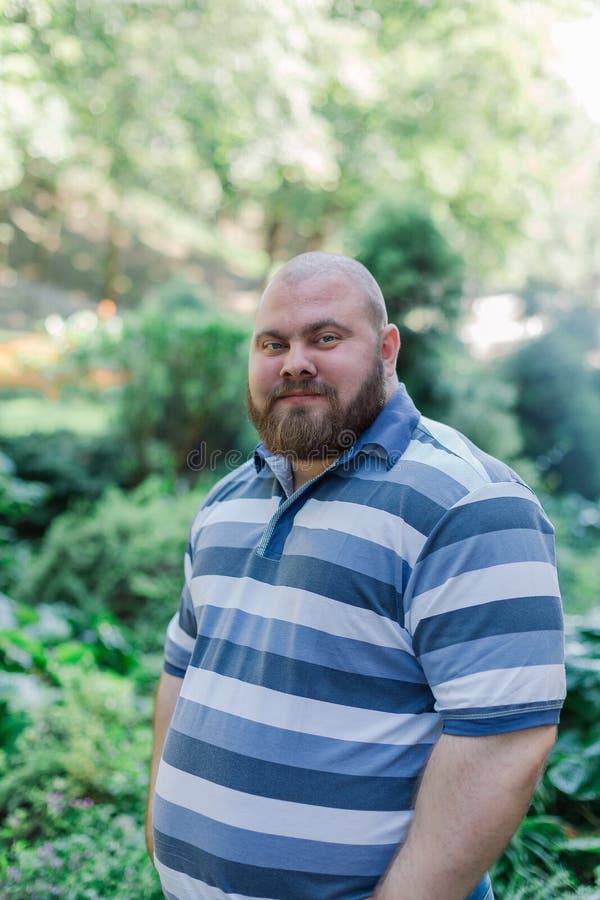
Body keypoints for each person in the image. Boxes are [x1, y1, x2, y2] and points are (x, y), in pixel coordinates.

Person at [146, 252, 566, 900]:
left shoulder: (470, 505)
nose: (294, 362)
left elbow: (505, 743)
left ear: (388, 349)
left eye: (325, 338)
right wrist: (161, 830)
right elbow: (181, 673)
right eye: (272, 342)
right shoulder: (226, 503)